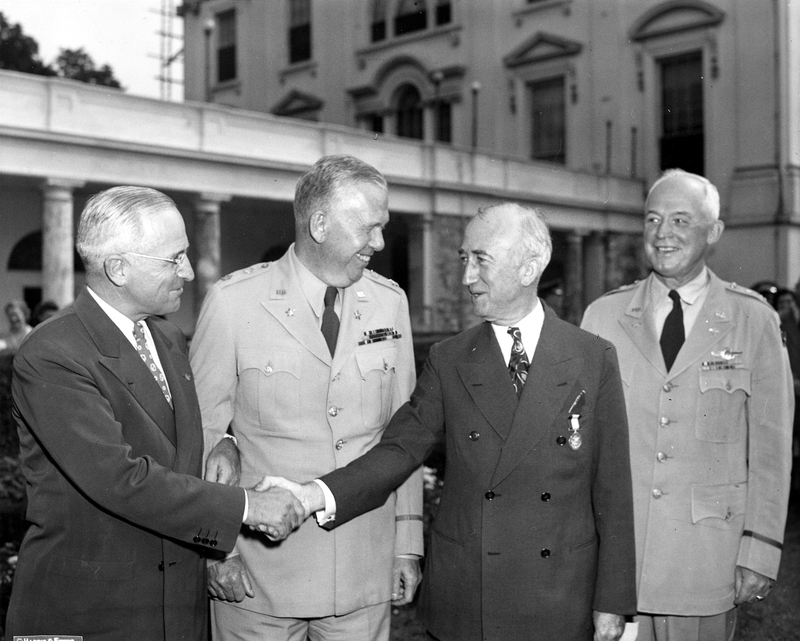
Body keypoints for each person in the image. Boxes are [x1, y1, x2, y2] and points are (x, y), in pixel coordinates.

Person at [263, 202, 637, 641]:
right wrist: (312, 495)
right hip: (469, 598)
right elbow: (398, 450)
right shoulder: (450, 358)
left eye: (481, 260)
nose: (466, 278)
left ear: (530, 266)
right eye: (464, 259)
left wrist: (613, 603)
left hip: (560, 595)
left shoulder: (593, 357)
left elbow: (613, 491)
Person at [5, 186, 305, 640]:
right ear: (118, 269)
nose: (187, 270)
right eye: (174, 258)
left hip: (176, 609)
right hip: (90, 612)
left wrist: (226, 442)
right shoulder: (52, 353)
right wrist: (248, 506)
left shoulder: (166, 338)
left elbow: (179, 444)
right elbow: (119, 479)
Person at [190, 155, 423, 640]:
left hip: (362, 570)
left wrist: (407, 544)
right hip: (260, 580)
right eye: (368, 228)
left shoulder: (389, 301)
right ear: (319, 224)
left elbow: (405, 435)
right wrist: (219, 551)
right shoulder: (233, 303)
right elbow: (203, 436)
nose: (379, 243)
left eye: (383, 228)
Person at [581, 169, 794, 641]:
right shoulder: (603, 316)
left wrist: (759, 549)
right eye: (653, 219)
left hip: (706, 561)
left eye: (680, 220)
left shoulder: (752, 320)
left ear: (712, 232)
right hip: (619, 562)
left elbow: (771, 451)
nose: (663, 234)